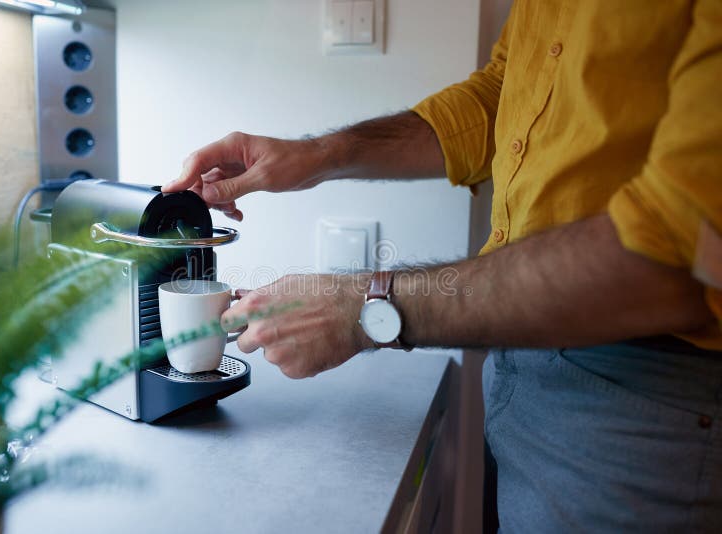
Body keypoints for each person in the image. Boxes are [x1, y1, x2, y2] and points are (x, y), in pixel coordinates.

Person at [162, 1, 722, 531]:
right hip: (532, 365)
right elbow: (503, 96)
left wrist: (367, 307)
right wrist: (318, 157)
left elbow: (676, 254)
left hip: (652, 404)